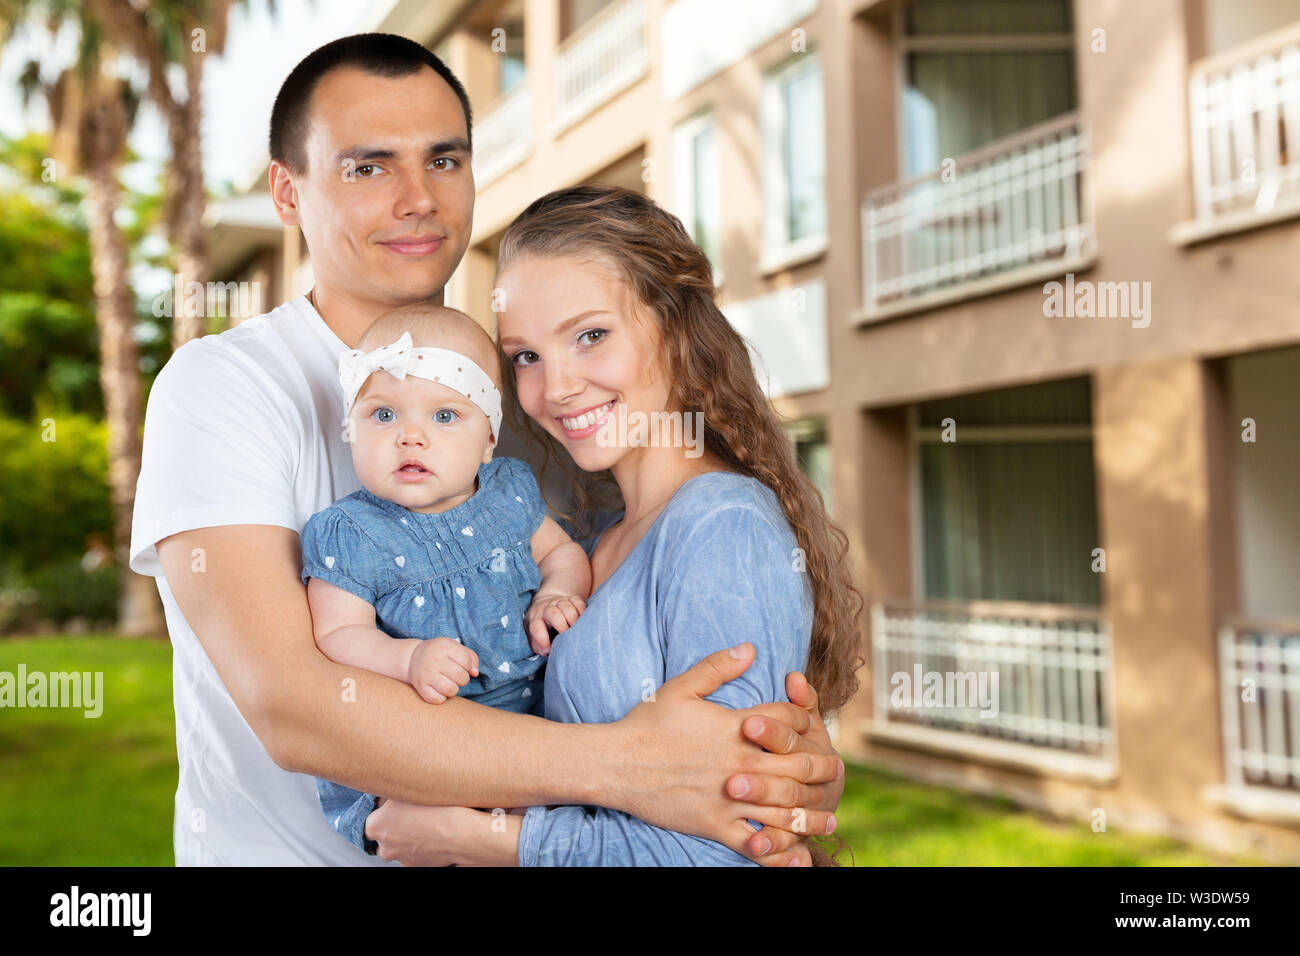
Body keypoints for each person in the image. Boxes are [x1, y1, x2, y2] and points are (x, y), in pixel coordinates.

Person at [128, 32, 846, 866]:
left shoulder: (527, 418)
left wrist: (780, 776)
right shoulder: (224, 387)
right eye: (368, 167)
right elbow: (295, 706)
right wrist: (645, 768)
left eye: (444, 160)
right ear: (286, 193)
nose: (417, 199)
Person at [367, 184, 865, 865]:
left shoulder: (722, 528)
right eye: (526, 357)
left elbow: (730, 851)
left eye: (590, 335)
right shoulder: (596, 539)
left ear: (673, 324)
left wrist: (480, 838)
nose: (557, 386)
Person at [301, 304, 591, 852]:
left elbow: (563, 554)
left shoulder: (507, 493)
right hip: (424, 750)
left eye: (444, 417)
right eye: (383, 416)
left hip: (532, 730)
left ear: (488, 440)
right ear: (351, 429)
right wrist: (406, 659)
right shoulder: (351, 532)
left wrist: (557, 592)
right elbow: (337, 634)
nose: (411, 437)